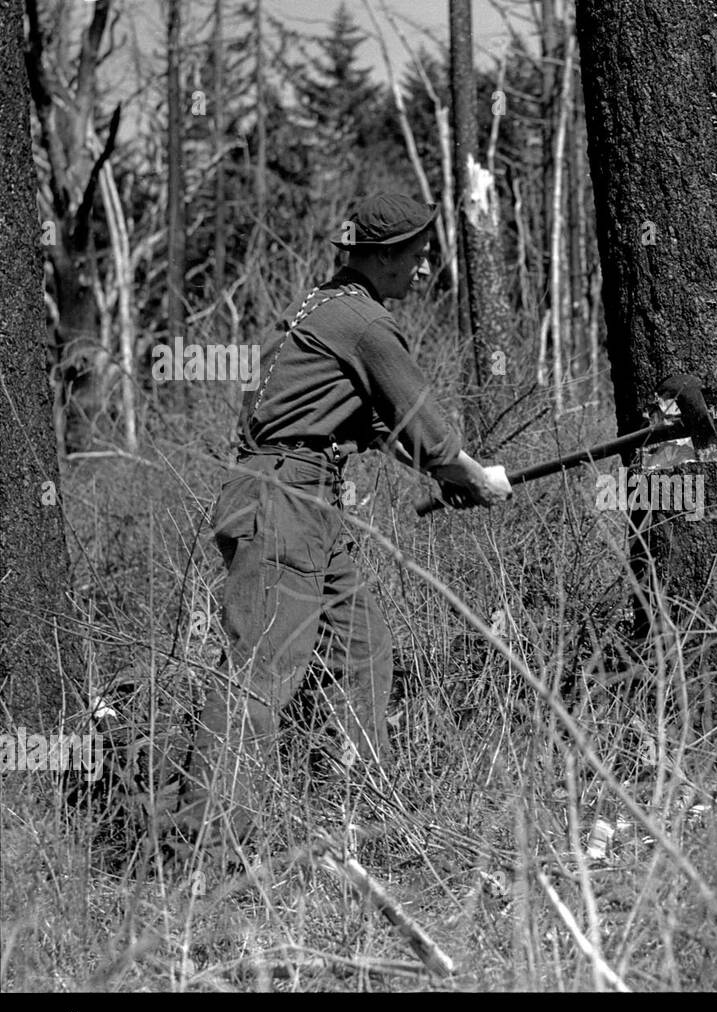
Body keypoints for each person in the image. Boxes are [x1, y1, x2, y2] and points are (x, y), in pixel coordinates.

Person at [175, 193, 512, 852]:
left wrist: (451, 474)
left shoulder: (318, 309)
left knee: (362, 649)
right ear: (381, 257)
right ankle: (203, 854)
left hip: (302, 502)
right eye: (417, 256)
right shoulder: (363, 323)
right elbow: (427, 431)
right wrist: (472, 475)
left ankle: (355, 817)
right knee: (263, 671)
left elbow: (382, 427)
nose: (425, 268)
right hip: (283, 504)